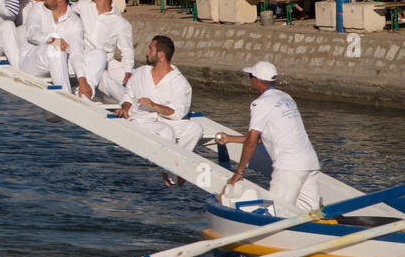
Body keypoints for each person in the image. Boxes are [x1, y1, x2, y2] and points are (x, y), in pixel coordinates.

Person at [216, 61, 321, 216]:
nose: (250, 79)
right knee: (310, 214)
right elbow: (266, 138)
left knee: (276, 212)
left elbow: (252, 140)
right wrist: (230, 139)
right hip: (310, 162)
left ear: (257, 80)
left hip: (289, 166)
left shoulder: (260, 104)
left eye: (251, 76)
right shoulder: (286, 97)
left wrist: (238, 172)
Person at [113, 35, 204, 186]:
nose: (147, 52)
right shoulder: (141, 72)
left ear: (160, 55)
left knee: (195, 128)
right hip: (142, 119)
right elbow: (129, 95)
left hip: (165, 119)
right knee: (166, 132)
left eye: (150, 49)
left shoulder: (180, 83)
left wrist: (155, 106)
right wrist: (124, 107)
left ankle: (176, 166)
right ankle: (169, 170)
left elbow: (179, 113)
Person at [18, 0, 97, 99]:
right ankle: (65, 96)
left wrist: (82, 81)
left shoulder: (74, 22)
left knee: (98, 54)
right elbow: (32, 33)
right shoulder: (38, 8)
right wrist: (52, 40)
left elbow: (76, 53)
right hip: (31, 62)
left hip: (59, 64)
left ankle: (82, 95)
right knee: (55, 47)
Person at [72, 0, 135, 101]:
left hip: (107, 62)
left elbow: (127, 51)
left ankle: (141, 103)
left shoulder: (120, 23)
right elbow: (65, 11)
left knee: (136, 78)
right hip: (82, 55)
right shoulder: (83, 5)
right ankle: (128, 103)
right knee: (103, 77)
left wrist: (128, 72)